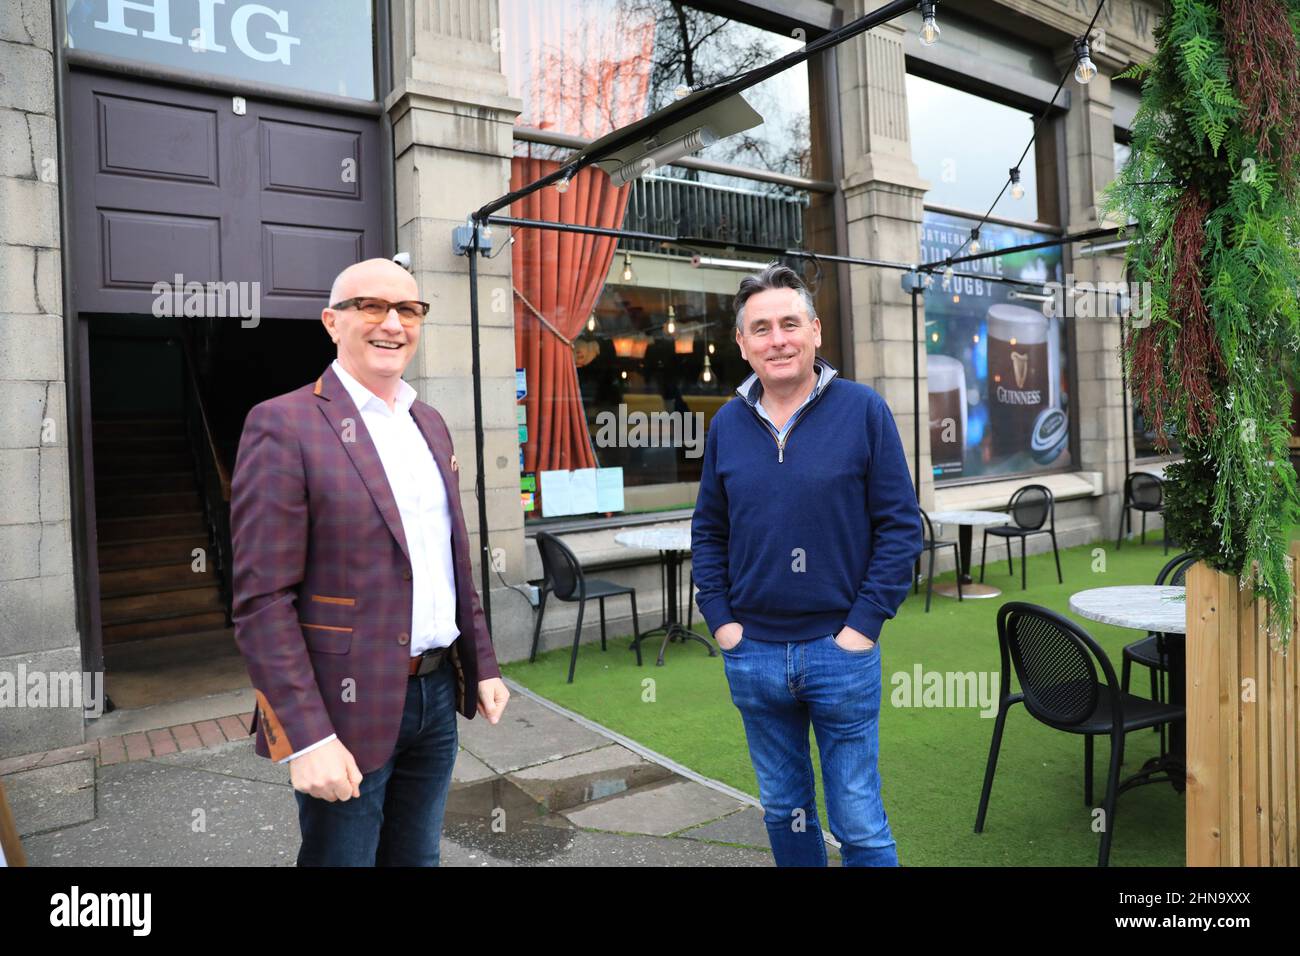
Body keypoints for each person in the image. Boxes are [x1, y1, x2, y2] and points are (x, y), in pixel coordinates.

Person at [230, 257, 509, 866]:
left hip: (437, 694)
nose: (392, 323)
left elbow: (451, 559)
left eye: (408, 310)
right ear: (333, 322)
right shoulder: (283, 424)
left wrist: (481, 663)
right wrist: (304, 737)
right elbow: (262, 602)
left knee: (417, 859)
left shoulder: (429, 423)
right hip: (341, 707)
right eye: (371, 307)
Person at [691, 262, 923, 867]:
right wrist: (722, 623)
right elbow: (709, 532)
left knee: (858, 820)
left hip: (838, 650)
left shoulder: (863, 411)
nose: (778, 339)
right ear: (742, 344)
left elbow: (900, 527)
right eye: (761, 328)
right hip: (754, 652)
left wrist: (862, 627)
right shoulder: (726, 425)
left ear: (816, 331)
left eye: (789, 323)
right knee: (782, 808)